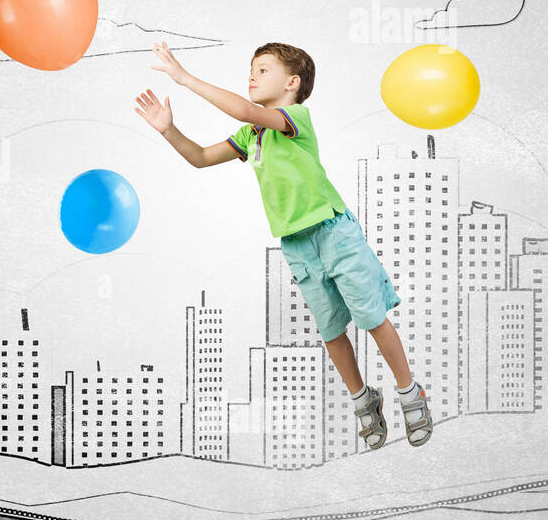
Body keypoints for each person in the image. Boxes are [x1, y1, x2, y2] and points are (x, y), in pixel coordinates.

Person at [132, 41, 432, 449]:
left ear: (292, 83)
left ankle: (410, 393)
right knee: (331, 331)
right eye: (251, 70)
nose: (252, 76)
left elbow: (244, 108)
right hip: (297, 244)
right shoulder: (252, 134)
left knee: (371, 317)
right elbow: (200, 157)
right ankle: (364, 399)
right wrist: (169, 129)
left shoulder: (295, 118)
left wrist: (183, 78)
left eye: (262, 69)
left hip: (333, 232)